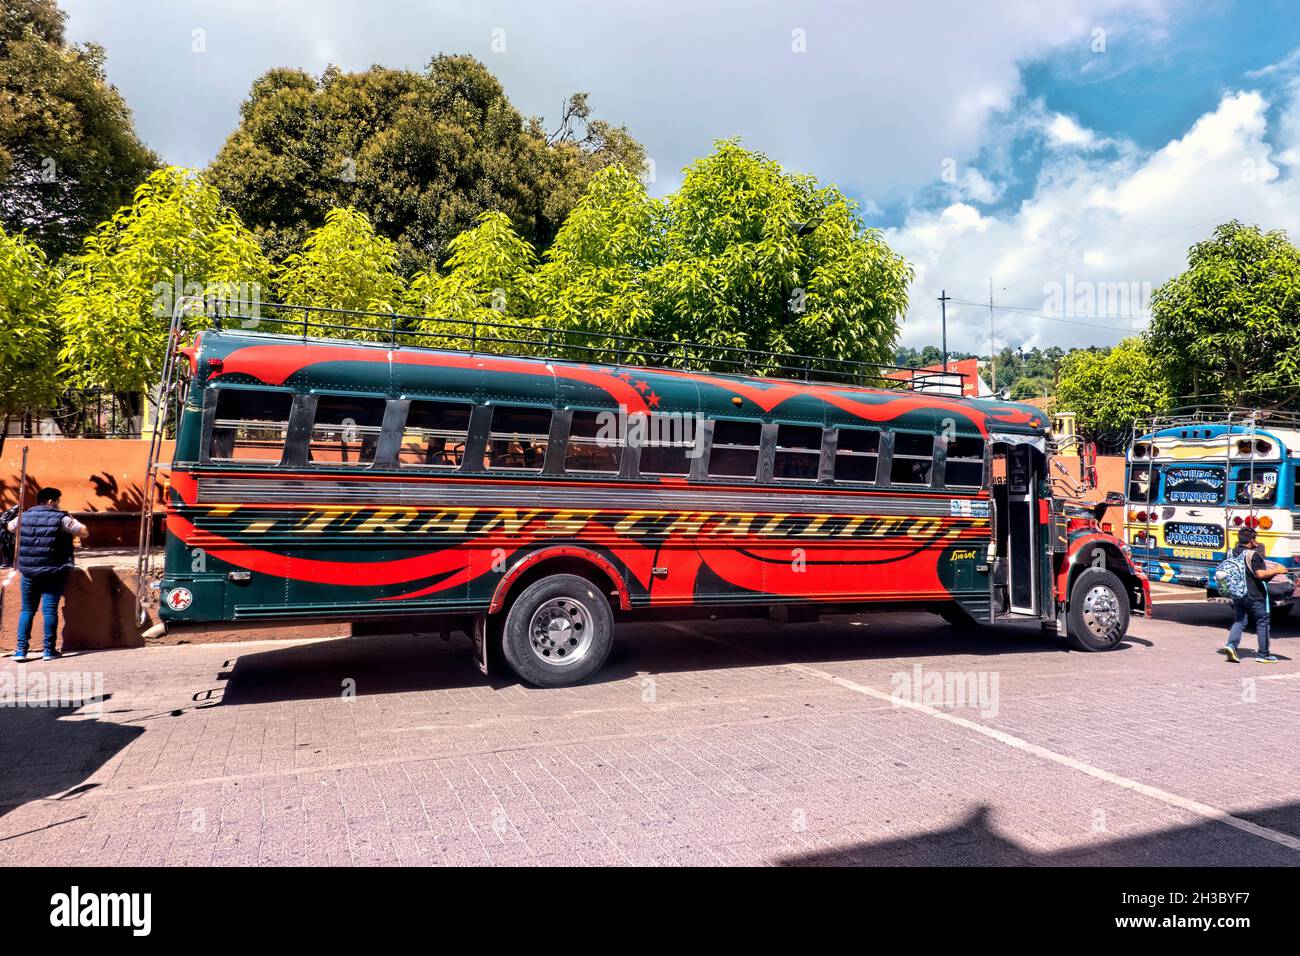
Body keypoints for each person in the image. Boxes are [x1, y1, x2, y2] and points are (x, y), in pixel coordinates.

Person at [6, 487, 89, 663]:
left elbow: (10, 527)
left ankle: (21, 650)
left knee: (27, 609)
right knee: (49, 609)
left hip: (29, 571)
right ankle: (48, 650)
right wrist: (71, 520)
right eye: (58, 501)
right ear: (51, 501)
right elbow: (83, 531)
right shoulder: (62, 518)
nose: (59, 505)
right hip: (54, 571)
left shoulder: (24, 516)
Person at [1219, 527, 1286, 663]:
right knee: (1262, 622)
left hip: (1237, 593)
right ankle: (1263, 654)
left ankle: (1231, 645)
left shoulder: (1230, 553)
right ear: (1252, 540)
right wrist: (1278, 570)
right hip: (1255, 595)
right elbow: (1260, 574)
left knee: (1239, 620)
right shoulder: (1253, 555)